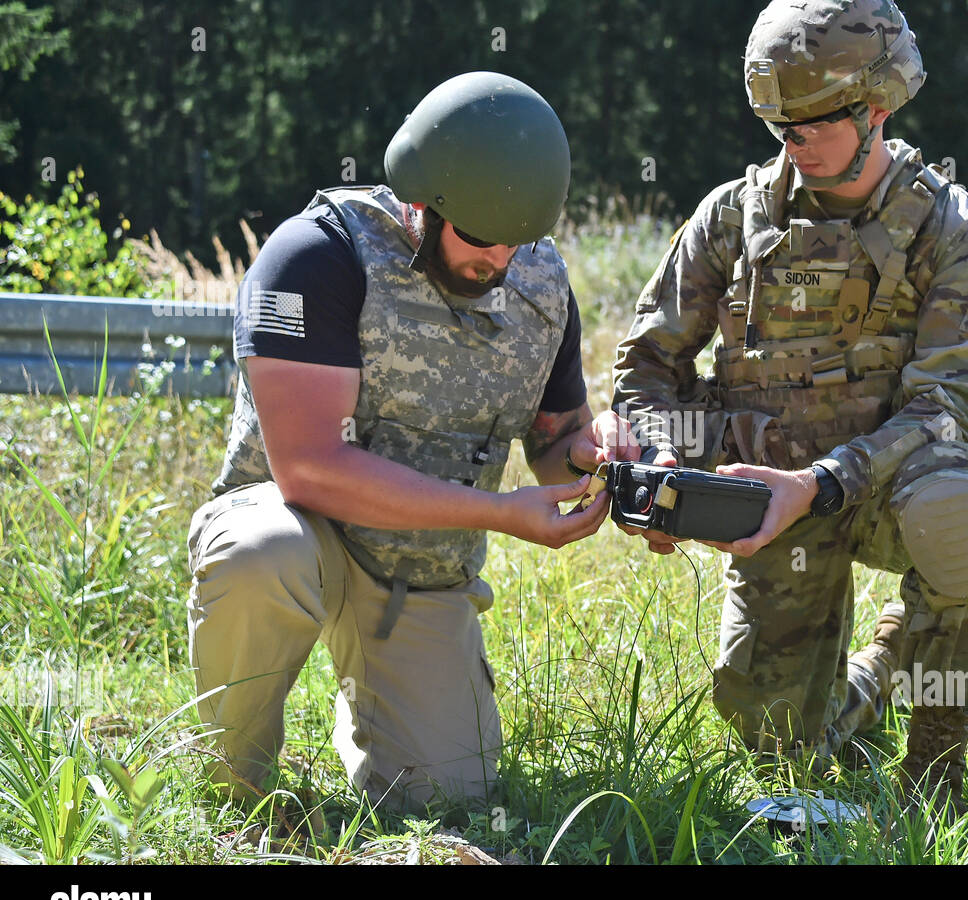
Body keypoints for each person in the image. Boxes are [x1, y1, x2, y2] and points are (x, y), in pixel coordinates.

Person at [612, 0, 968, 816]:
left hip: (887, 493)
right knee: (778, 759)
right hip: (773, 504)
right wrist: (660, 457)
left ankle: (935, 780)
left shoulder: (952, 232)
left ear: (876, 110)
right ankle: (873, 677)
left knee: (957, 518)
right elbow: (646, 367)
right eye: (778, 127)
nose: (791, 145)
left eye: (809, 125)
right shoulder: (733, 218)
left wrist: (825, 480)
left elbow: (951, 412)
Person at [187, 71, 636, 815]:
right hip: (302, 535)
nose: (499, 260)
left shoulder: (539, 285)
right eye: (481, 237)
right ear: (424, 203)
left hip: (415, 574)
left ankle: (374, 707)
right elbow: (308, 469)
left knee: (447, 796)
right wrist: (501, 514)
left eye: (519, 240)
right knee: (259, 553)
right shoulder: (316, 256)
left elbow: (555, 441)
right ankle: (235, 790)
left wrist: (599, 450)